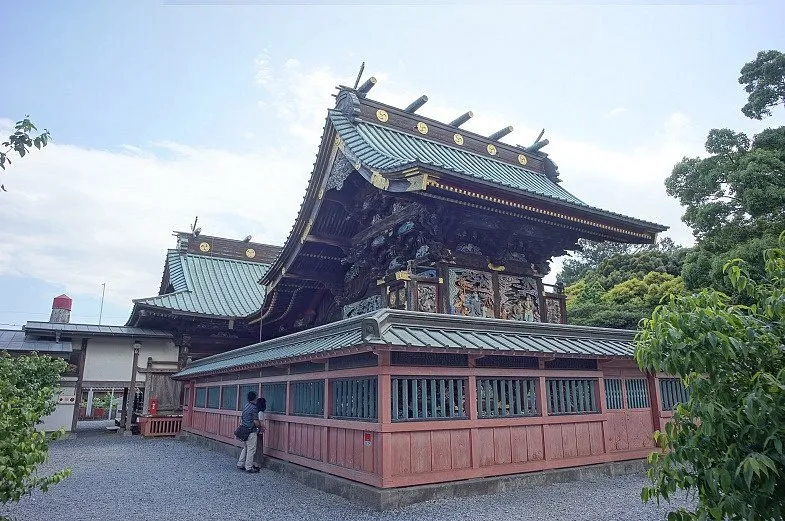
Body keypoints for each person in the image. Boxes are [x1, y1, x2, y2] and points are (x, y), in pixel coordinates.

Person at [236, 391, 260, 473]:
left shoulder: (246, 405)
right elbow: (256, 421)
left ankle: (240, 463)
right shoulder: (254, 408)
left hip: (244, 430)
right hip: (251, 430)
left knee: (245, 447)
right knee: (251, 449)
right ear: (255, 398)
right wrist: (260, 427)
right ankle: (249, 467)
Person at [253, 397, 267, 470]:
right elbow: (261, 422)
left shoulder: (255, 411)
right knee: (259, 447)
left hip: (254, 431)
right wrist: (264, 428)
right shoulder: (261, 413)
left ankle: (253, 462)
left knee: (254, 447)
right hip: (259, 432)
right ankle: (257, 464)